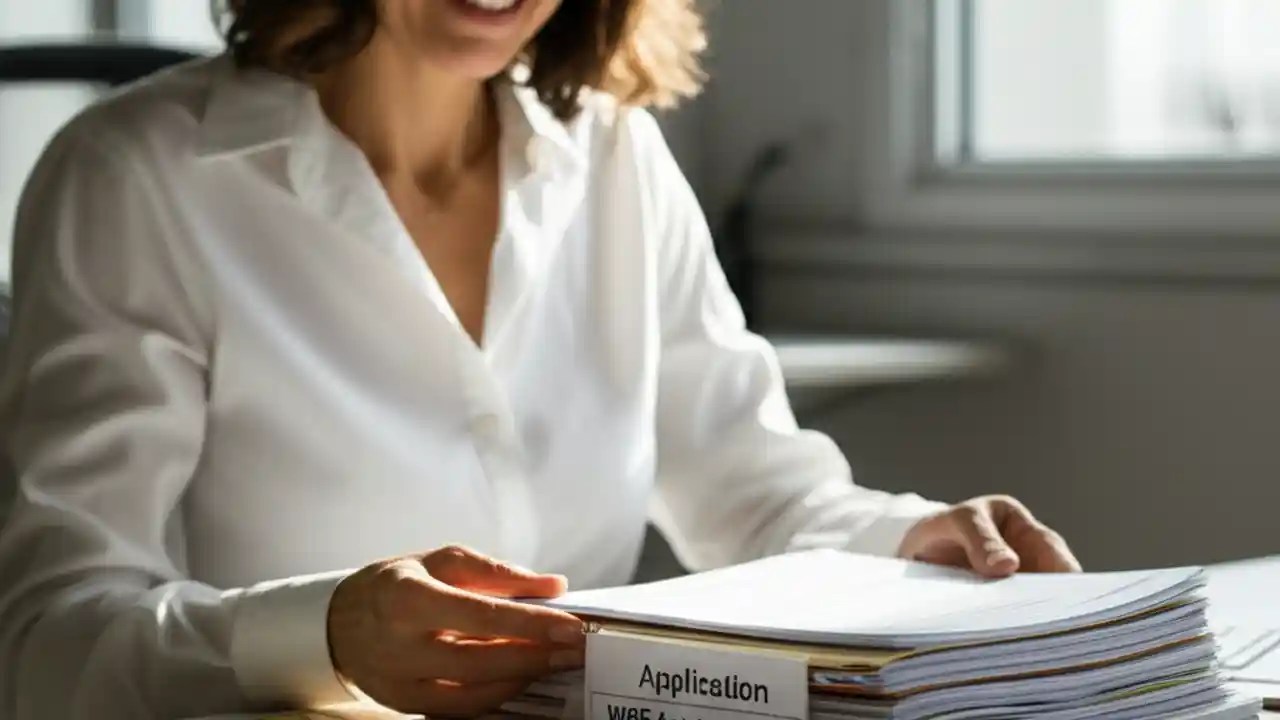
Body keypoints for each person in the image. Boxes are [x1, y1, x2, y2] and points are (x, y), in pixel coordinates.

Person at [0, 0, 1081, 718]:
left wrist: (913, 539)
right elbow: (51, 642)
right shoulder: (136, 176)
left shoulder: (613, 152)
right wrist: (317, 635)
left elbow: (752, 493)